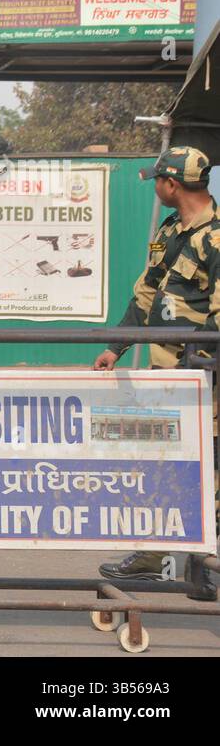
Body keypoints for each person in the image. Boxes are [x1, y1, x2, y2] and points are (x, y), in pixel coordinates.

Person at [92, 146, 218, 600]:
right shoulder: (171, 231)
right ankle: (153, 559)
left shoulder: (217, 239)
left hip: (203, 378)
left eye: (157, 182)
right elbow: (146, 293)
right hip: (166, 377)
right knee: (159, 464)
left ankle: (205, 571)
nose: (155, 188)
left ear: (172, 185)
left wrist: (200, 367)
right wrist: (115, 347)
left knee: (209, 473)